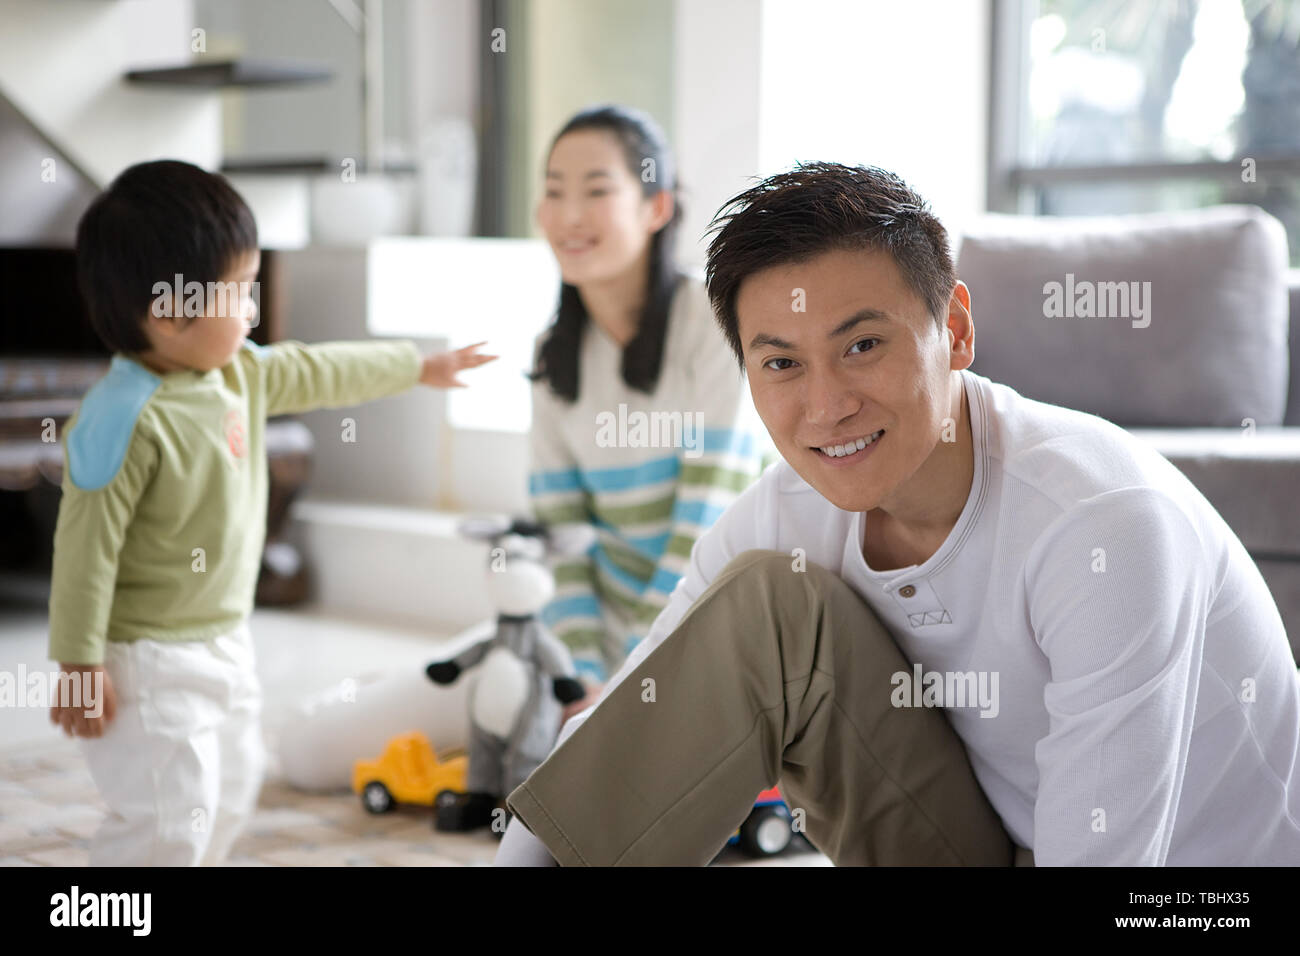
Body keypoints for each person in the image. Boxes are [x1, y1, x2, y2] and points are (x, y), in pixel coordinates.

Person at [495, 161, 1300, 866]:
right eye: (780, 363)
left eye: (862, 346)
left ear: (953, 329)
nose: (826, 408)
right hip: (992, 841)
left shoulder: (1103, 526)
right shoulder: (783, 513)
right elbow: (631, 718)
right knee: (770, 605)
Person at [46, 159, 496, 866]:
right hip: (147, 660)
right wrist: (78, 662)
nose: (253, 311)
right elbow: (83, 553)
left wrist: (419, 366)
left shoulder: (238, 373)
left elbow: (322, 369)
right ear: (167, 312)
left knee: (231, 794)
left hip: (225, 639)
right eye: (240, 293)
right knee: (166, 823)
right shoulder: (121, 420)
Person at [527, 105, 772, 718]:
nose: (570, 215)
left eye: (597, 190)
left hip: (706, 628)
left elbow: (707, 527)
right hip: (597, 646)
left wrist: (630, 674)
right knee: (328, 744)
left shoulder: (714, 323)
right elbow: (560, 537)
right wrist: (580, 675)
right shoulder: (553, 354)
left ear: (656, 208)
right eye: (554, 192)